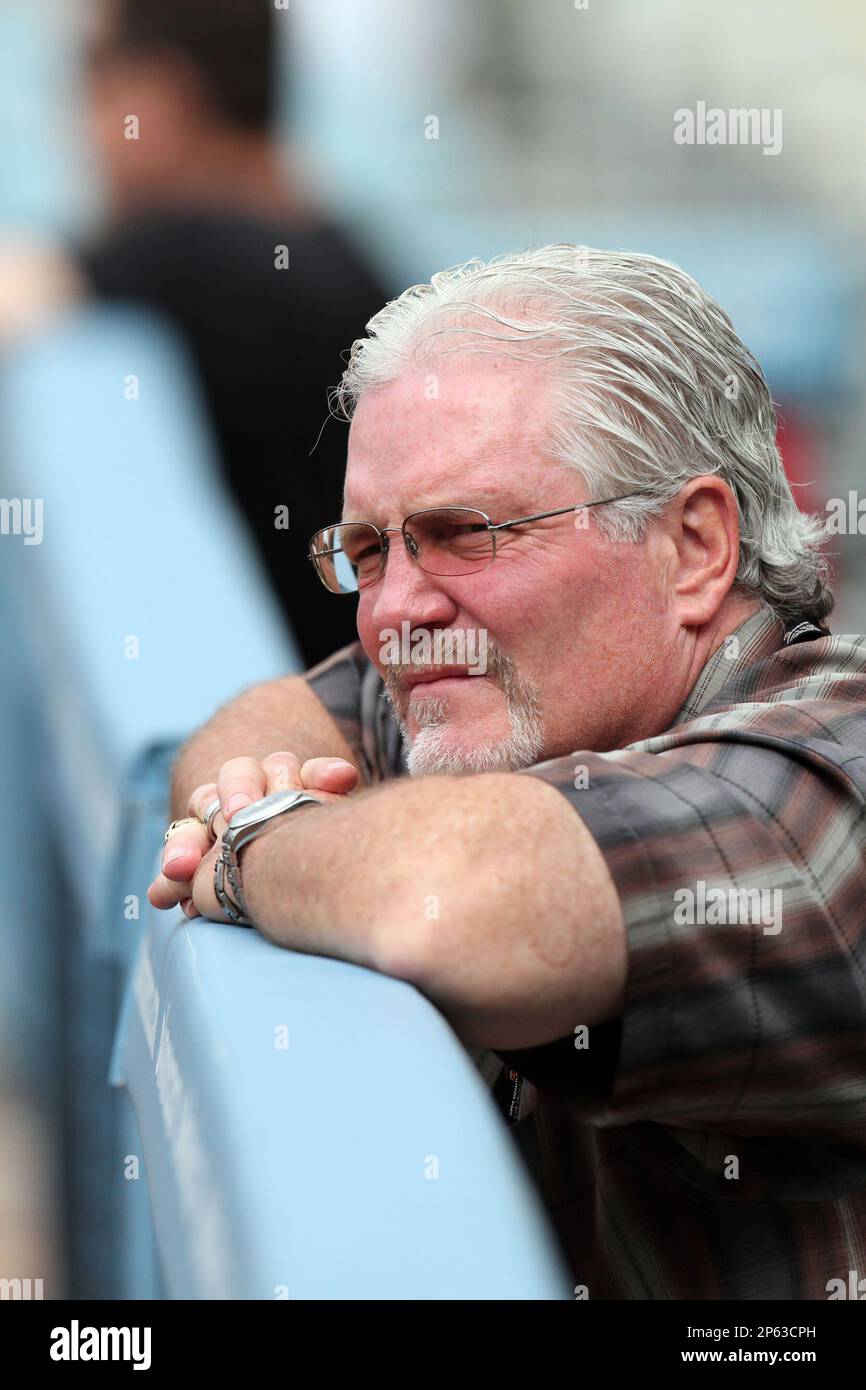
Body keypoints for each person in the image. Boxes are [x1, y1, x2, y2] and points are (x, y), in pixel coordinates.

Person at [147, 245, 866, 1300]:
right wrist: (261, 788)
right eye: (369, 550)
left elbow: (460, 898)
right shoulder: (516, 692)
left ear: (694, 545)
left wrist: (257, 842)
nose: (395, 613)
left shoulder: (828, 776)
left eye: (463, 535)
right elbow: (278, 716)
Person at [1, 0, 387, 666]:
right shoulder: (341, 249)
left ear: (159, 95)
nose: (75, 129)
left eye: (87, 83)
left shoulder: (194, 250)